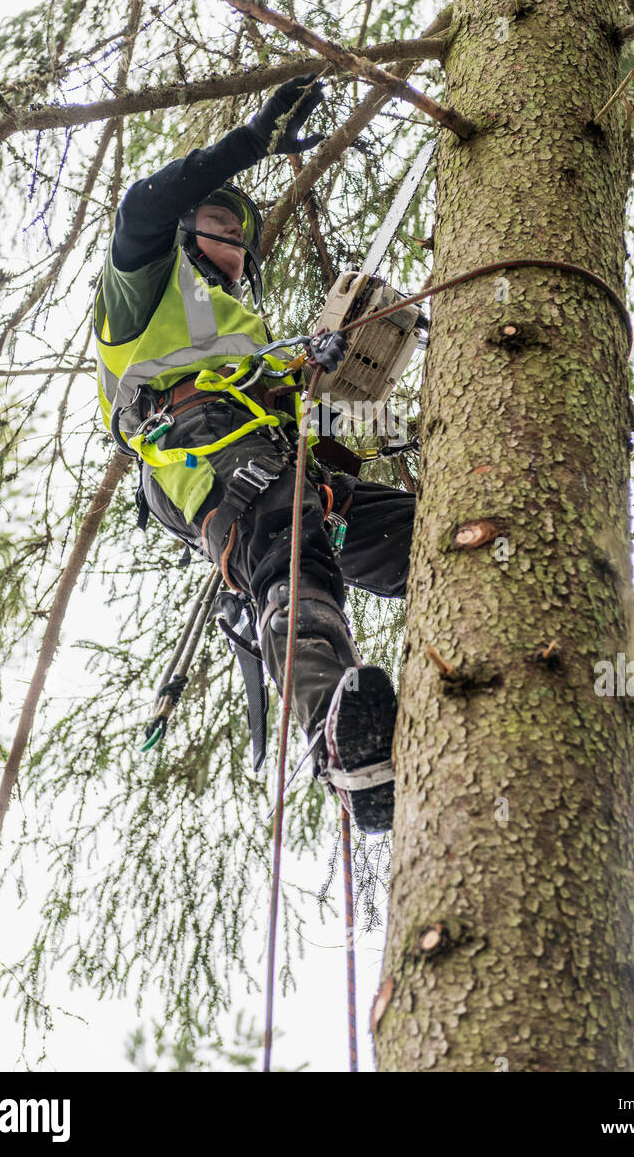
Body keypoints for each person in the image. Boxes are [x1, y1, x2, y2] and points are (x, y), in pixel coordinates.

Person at [93, 74, 415, 832]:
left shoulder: (251, 335)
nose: (232, 245)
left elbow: (314, 410)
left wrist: (320, 369)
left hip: (281, 459)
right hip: (200, 456)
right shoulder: (141, 288)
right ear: (183, 233)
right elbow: (142, 205)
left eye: (241, 238)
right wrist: (251, 143)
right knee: (287, 544)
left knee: (421, 533)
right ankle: (337, 738)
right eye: (216, 226)